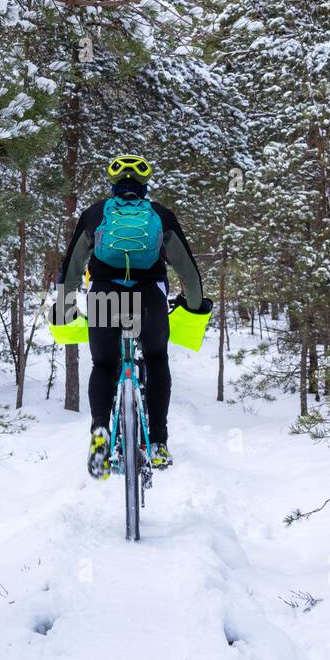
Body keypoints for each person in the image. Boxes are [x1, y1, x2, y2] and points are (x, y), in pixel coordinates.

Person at [53, 154, 206, 478]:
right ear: (145, 184)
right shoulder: (160, 216)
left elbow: (70, 272)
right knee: (156, 360)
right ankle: (159, 444)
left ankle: (99, 432)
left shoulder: (95, 215)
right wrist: (193, 307)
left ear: (112, 184)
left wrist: (66, 311)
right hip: (149, 299)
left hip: (105, 296)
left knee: (104, 365)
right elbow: (189, 274)